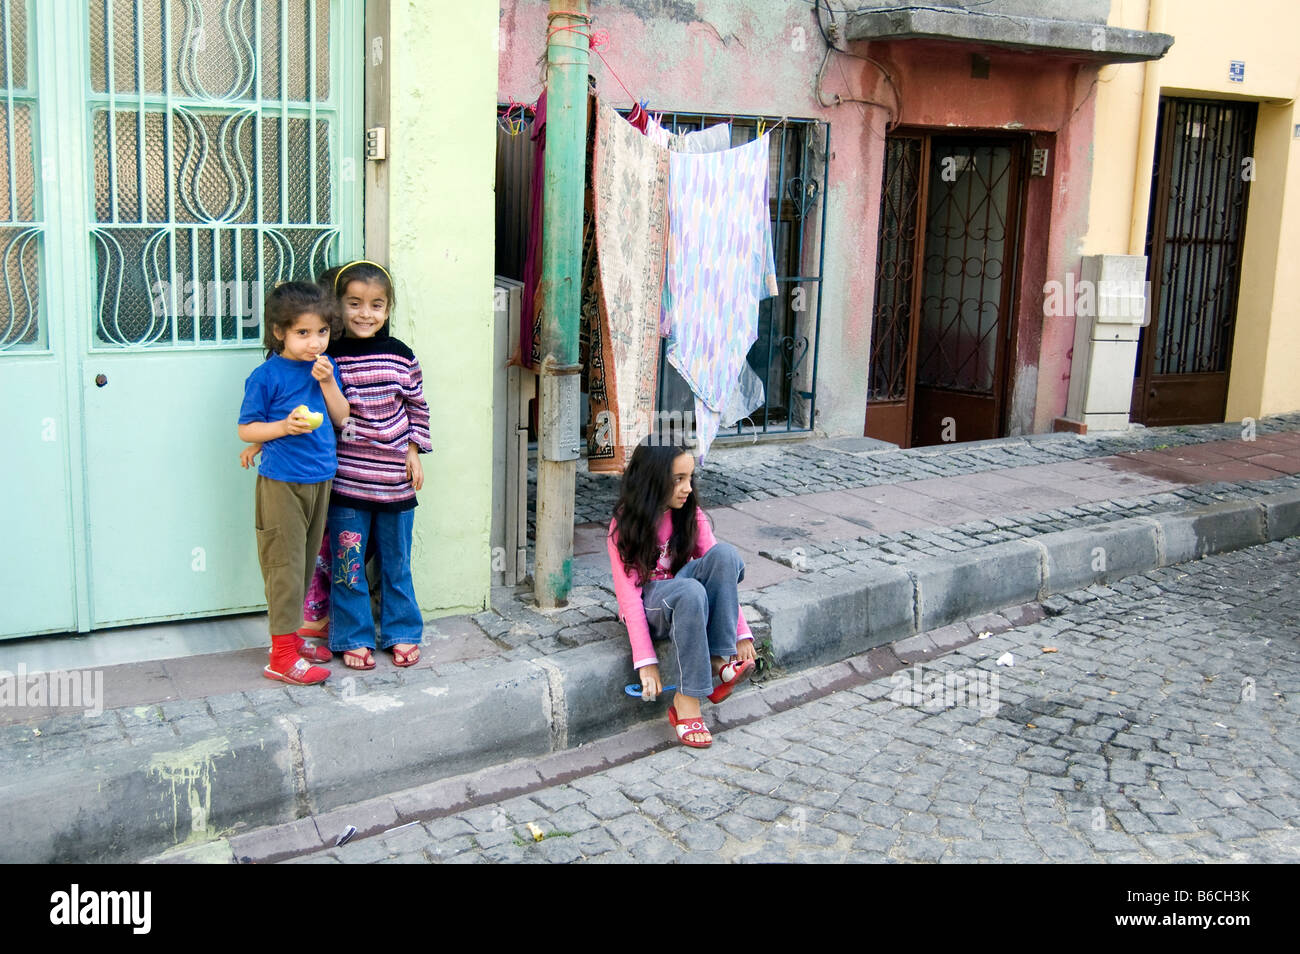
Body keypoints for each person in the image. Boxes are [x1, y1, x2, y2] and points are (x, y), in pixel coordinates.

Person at [607, 439, 757, 748]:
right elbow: (628, 596)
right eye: (678, 480)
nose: (687, 488)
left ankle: (719, 659)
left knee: (725, 556)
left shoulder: (690, 514)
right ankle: (687, 702)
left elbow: (722, 574)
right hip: (652, 604)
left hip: (686, 594)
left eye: (690, 478)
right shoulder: (625, 524)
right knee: (690, 590)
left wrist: (741, 634)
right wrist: (646, 661)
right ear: (652, 480)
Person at [319, 260, 431, 669]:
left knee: (396, 564)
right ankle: (353, 635)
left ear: (387, 310)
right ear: (338, 305)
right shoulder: (329, 356)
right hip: (347, 482)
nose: (365, 314)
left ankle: (402, 631)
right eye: (355, 303)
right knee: (349, 566)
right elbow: (331, 417)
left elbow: (418, 408)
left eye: (376, 305)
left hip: (395, 482)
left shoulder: (400, 355)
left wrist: (414, 451)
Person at [237, 282, 349, 685]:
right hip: (282, 482)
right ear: (279, 332)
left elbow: (341, 417)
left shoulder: (325, 368)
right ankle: (281, 657)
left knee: (304, 564)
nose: (313, 342)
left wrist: (327, 382)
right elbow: (246, 428)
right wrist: (283, 427)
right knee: (283, 567)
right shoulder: (266, 376)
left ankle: (291, 638)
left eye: (321, 332)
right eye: (302, 333)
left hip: (321, 477)